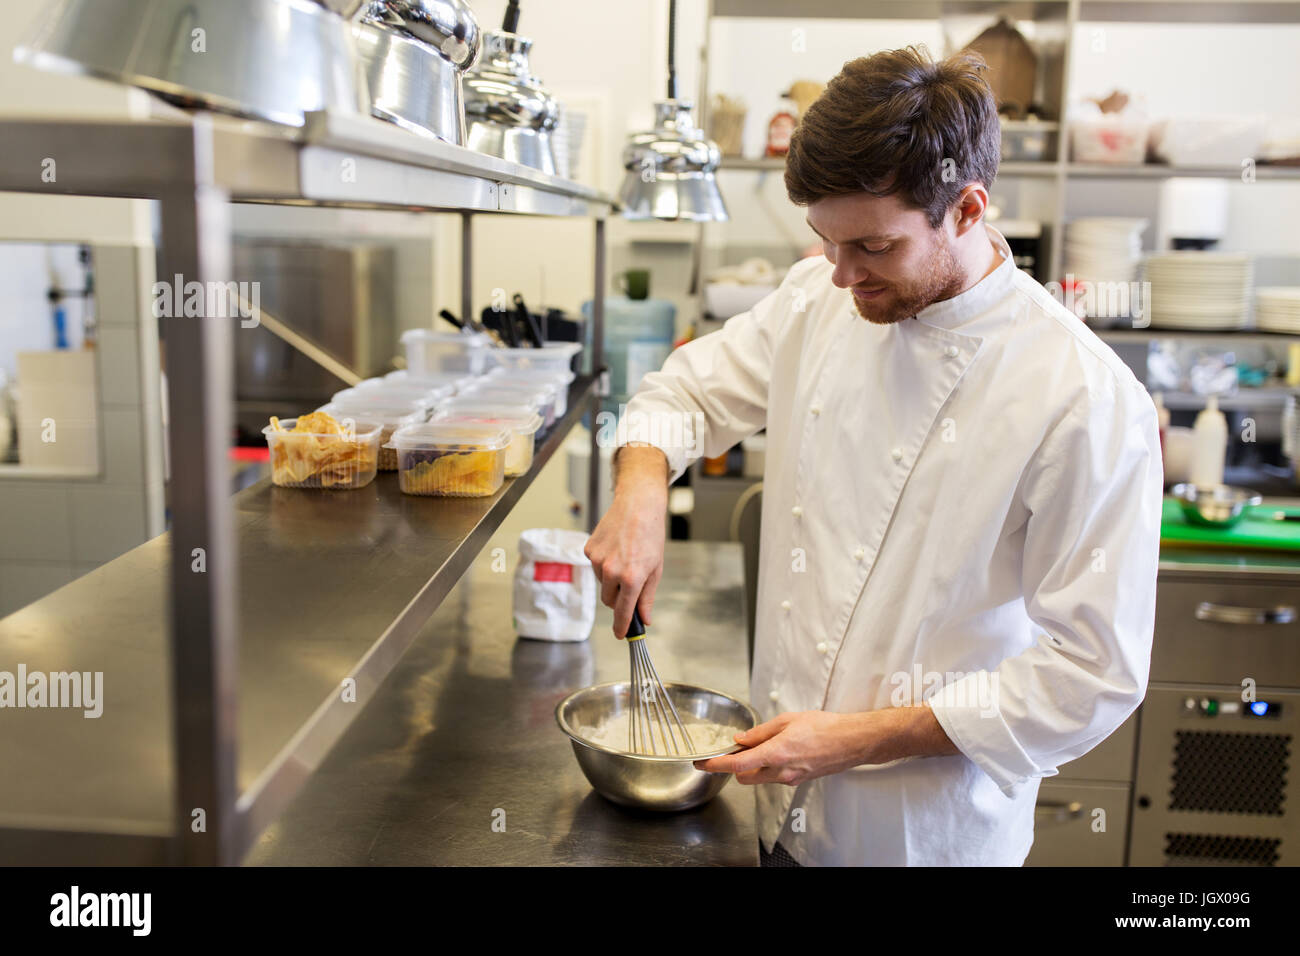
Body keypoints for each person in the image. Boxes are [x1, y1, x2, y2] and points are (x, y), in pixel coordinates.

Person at [583, 46, 1163, 866]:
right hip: (774, 809)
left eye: (875, 249)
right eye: (825, 241)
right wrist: (639, 490)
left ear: (967, 209)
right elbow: (686, 396)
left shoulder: (1085, 399)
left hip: (919, 838)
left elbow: (1092, 675)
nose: (842, 276)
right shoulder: (815, 298)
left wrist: (854, 740)